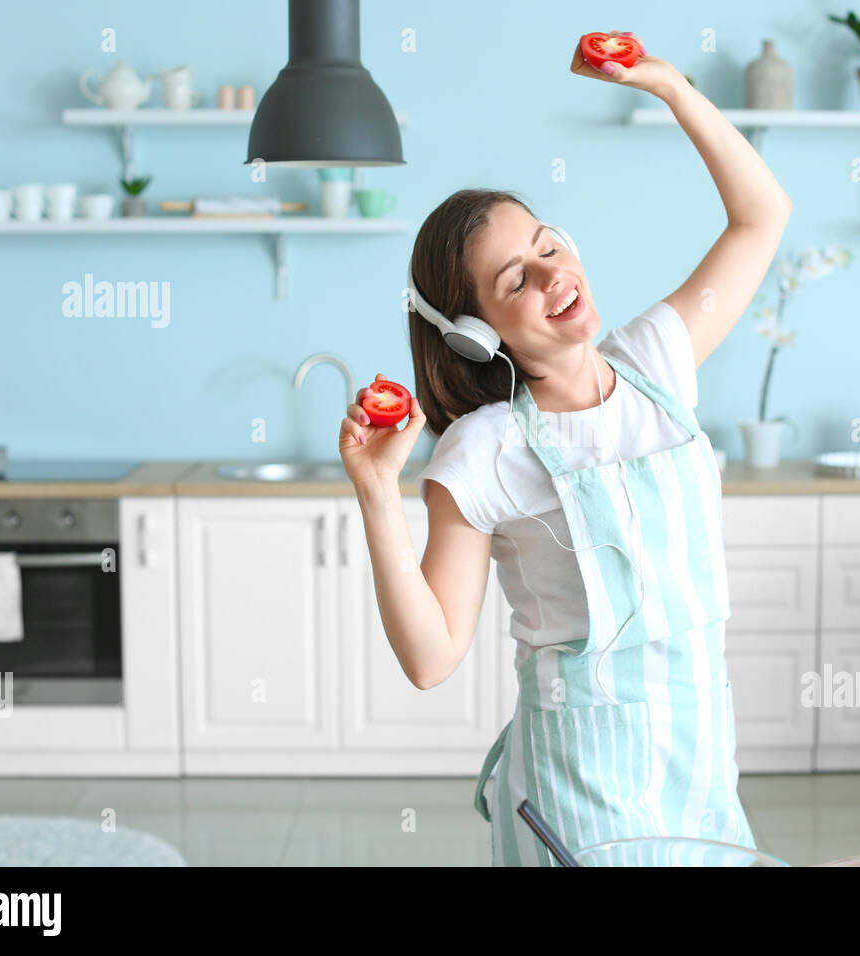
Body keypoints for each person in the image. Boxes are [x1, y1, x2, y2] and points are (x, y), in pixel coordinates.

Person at [337, 34, 791, 866]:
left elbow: (763, 216)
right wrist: (375, 493)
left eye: (547, 244)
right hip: (580, 784)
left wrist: (671, 90)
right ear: (477, 335)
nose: (552, 275)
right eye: (515, 279)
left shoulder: (657, 359)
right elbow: (432, 659)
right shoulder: (483, 451)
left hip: (700, 758)